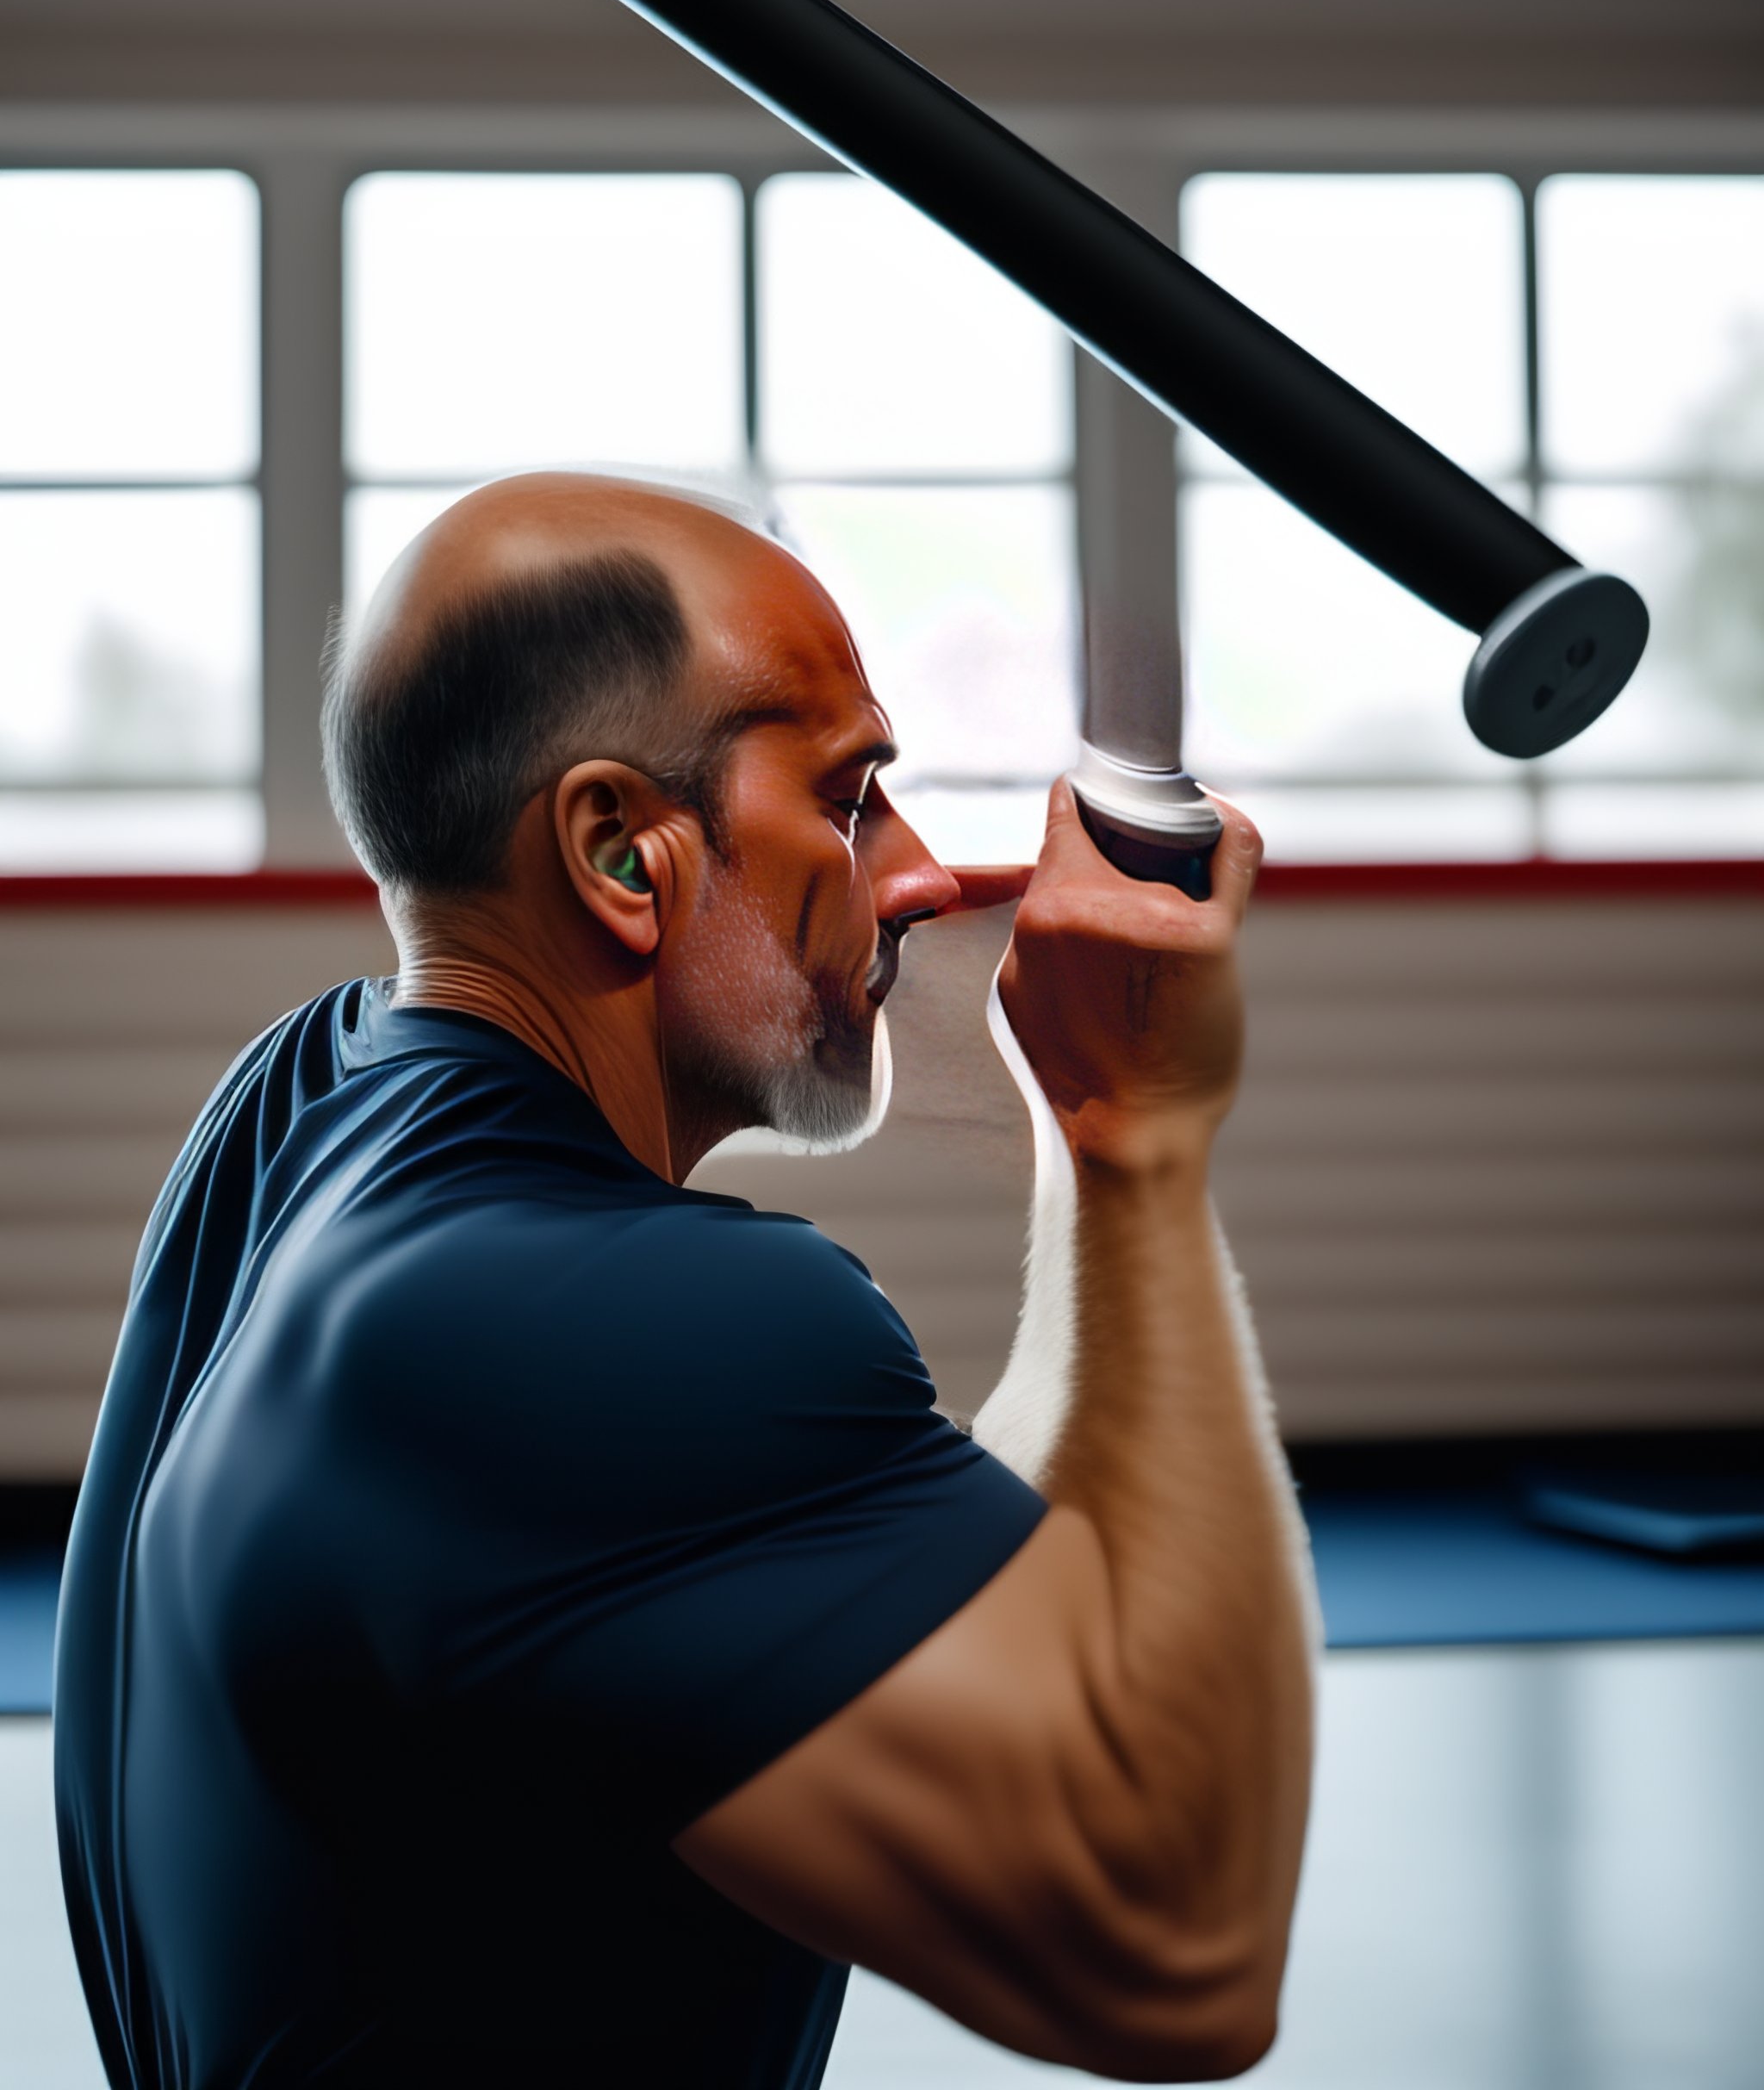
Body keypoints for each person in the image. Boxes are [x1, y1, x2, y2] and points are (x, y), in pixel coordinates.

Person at [55, 471, 1318, 2090]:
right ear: (620, 856)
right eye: (854, 798)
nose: (920, 877)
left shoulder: (299, 1102)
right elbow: (1180, 1945)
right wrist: (1135, 1141)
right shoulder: (582, 1318)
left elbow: (978, 1598)